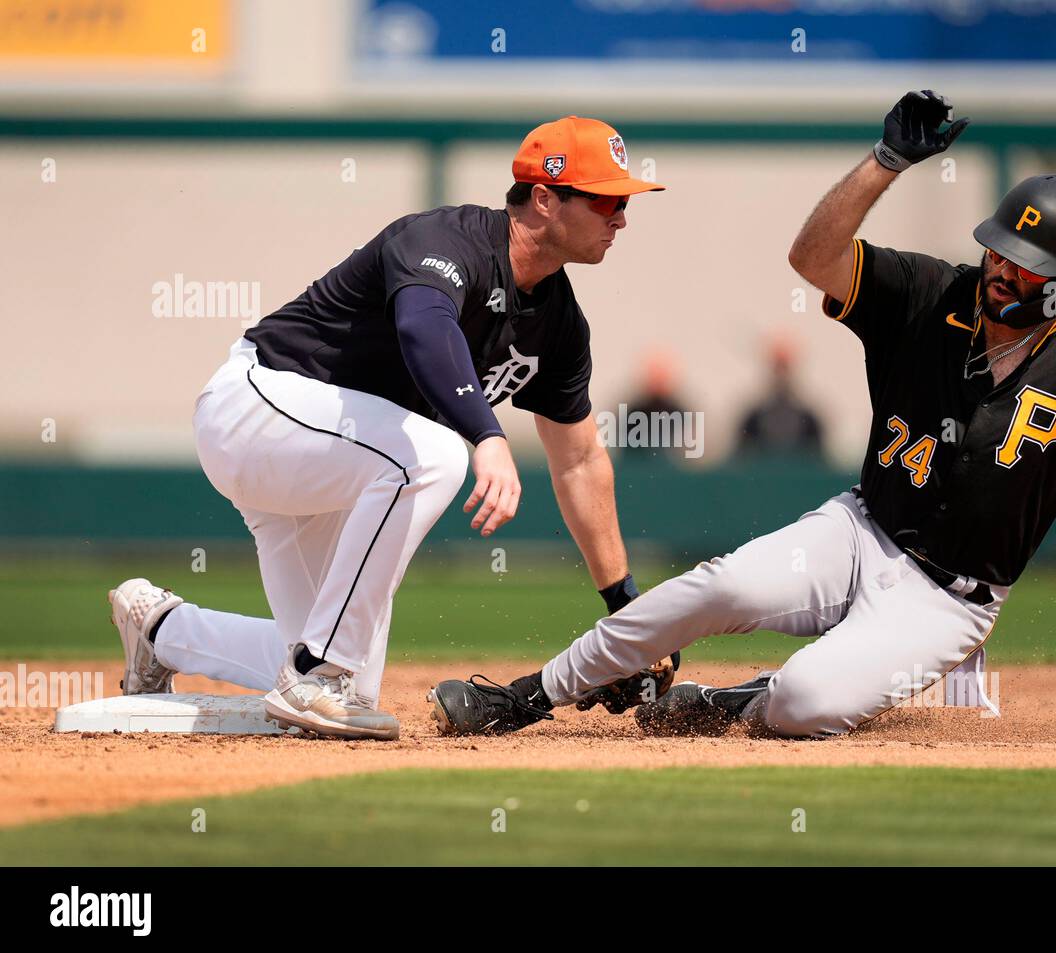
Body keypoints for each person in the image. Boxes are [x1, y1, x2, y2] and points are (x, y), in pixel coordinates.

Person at [428, 90, 1056, 740]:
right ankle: (528, 697)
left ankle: (740, 701)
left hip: (952, 600)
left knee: (807, 704)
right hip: (859, 529)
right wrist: (886, 164)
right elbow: (812, 258)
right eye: (997, 254)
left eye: (1026, 269)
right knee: (718, 588)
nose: (1001, 273)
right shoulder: (928, 295)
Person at [106, 116, 664, 740]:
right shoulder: (445, 240)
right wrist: (487, 435)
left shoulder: (559, 325)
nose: (621, 218)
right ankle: (316, 674)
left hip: (337, 464)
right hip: (258, 410)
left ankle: (160, 629)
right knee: (434, 457)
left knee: (349, 676)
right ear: (544, 198)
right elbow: (425, 330)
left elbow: (581, 462)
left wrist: (628, 611)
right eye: (607, 199)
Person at [734, 335, 826, 460]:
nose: (781, 376)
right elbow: (742, 458)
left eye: (784, 368)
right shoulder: (752, 419)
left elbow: (817, 460)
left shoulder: (810, 421)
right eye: (777, 368)